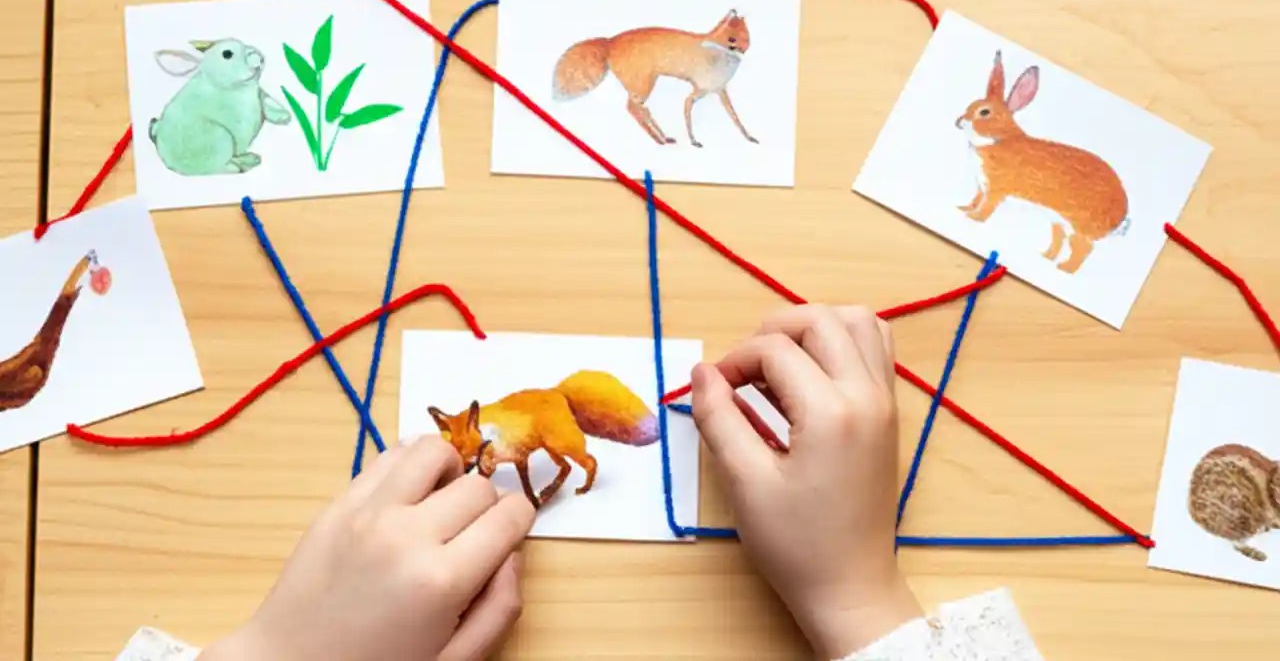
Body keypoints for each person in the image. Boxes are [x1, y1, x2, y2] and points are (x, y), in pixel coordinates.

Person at [117, 306, 1042, 660]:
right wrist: (859, 598)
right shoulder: (489, 437)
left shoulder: (530, 424)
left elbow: (538, 442)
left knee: (566, 452)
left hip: (548, 425)